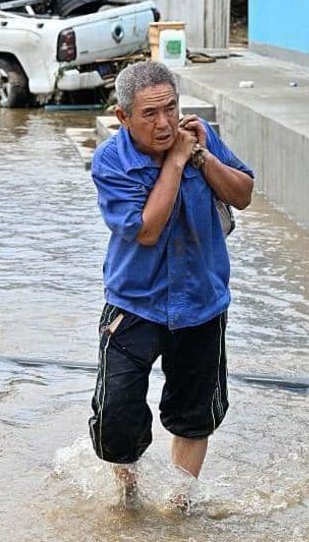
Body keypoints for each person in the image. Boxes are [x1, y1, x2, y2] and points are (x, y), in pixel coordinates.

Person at [88, 61, 255, 504]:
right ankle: (128, 495)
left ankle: (179, 507)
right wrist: (178, 161)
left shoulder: (197, 139)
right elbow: (146, 229)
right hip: (134, 304)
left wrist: (201, 155)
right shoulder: (111, 160)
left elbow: (243, 193)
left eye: (170, 109)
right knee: (115, 419)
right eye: (149, 114)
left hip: (201, 302)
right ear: (123, 117)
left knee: (193, 415)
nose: (164, 124)